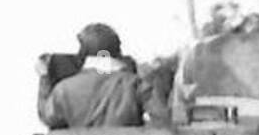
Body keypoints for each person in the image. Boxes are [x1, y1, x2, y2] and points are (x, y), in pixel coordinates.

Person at [37, 23, 168, 129]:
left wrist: (44, 78)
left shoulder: (63, 90)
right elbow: (162, 119)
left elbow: (48, 117)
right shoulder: (135, 84)